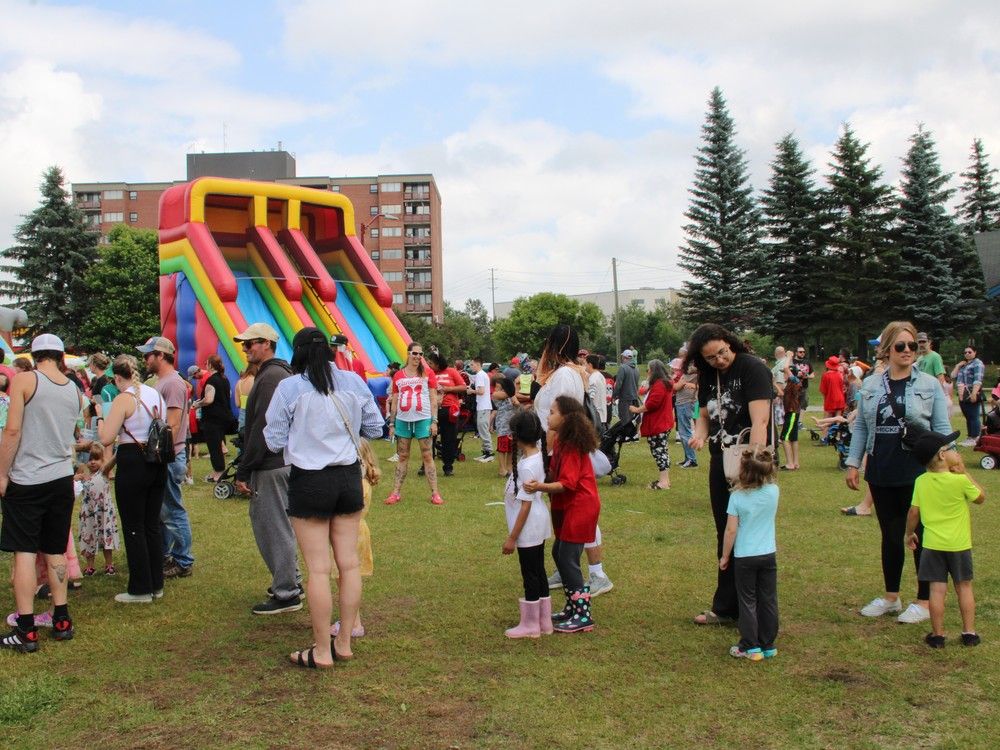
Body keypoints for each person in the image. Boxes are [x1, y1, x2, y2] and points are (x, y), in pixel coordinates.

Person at [263, 326, 383, 668]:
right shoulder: (354, 382)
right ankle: (343, 642)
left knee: (317, 570)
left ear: (298, 353)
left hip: (310, 480)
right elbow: (375, 429)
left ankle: (320, 649)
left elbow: (273, 439)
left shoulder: (290, 388)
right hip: (347, 478)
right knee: (348, 564)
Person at [845, 321, 951, 625]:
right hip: (881, 467)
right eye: (901, 346)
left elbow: (942, 430)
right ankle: (891, 597)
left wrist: (948, 466)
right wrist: (853, 463)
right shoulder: (871, 385)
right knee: (890, 535)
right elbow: (863, 426)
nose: (908, 352)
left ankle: (923, 601)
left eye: (912, 346)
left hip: (918, 471)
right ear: (887, 350)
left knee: (919, 534)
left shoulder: (929, 384)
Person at [0, 334, 86, 652]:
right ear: (61, 355)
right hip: (61, 478)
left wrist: (1, 473)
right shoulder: (73, 389)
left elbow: (12, 430)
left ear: (34, 355)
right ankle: (61, 619)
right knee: (55, 550)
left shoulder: (25, 380)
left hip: (27, 478)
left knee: (23, 551)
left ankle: (26, 629)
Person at [685, 324, 773, 626]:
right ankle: (726, 607)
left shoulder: (752, 369)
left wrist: (753, 468)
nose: (719, 360)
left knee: (750, 536)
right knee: (725, 531)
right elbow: (705, 415)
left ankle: (753, 607)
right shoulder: (709, 376)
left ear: (730, 343)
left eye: (722, 352)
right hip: (721, 462)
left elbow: (760, 421)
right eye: (710, 358)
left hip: (749, 463)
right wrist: (698, 435)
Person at [535, 325, 614, 598]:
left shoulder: (566, 374)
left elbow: (564, 416)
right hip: (554, 451)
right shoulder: (561, 374)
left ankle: (597, 574)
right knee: (566, 512)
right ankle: (567, 567)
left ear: (555, 345)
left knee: (580, 513)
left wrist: (550, 455)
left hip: (560, 452)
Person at [232, 324, 301, 615]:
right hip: (279, 461)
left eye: (250, 344)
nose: (245, 349)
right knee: (279, 526)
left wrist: (244, 468)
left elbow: (263, 428)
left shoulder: (272, 376)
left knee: (273, 527)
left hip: (271, 464)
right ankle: (290, 583)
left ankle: (287, 592)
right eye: (244, 345)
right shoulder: (276, 374)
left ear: (267, 344)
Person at [95, 355, 169, 604]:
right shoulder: (156, 395)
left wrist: (100, 418)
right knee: (151, 525)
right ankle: (156, 583)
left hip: (133, 462)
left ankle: (140, 589)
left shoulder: (124, 399)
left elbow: (106, 438)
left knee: (134, 526)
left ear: (117, 377)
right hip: (157, 461)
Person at [902, 424, 985, 648]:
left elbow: (914, 512)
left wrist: (909, 534)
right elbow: (980, 498)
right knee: (964, 587)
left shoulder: (921, 481)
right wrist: (965, 471)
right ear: (941, 455)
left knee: (936, 590)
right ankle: (969, 633)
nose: (957, 452)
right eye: (952, 448)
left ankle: (937, 635)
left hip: (932, 545)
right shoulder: (959, 480)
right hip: (959, 545)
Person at [523, 396, 600, 634]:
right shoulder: (562, 441)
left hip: (580, 506)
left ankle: (582, 614)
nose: (548, 416)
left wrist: (538, 487)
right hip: (567, 506)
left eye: (553, 412)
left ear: (566, 417)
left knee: (567, 558)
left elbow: (567, 483)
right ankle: (573, 607)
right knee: (560, 553)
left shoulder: (572, 445)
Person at [137, 336, 194, 579]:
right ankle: (166, 555)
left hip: (171, 456)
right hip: (166, 457)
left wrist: (145, 440)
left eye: (148, 355)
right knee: (163, 511)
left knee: (172, 510)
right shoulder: (164, 382)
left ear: (161, 355)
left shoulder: (172, 384)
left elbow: (171, 424)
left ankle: (183, 560)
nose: (144, 359)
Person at [720, 446, 780, 661]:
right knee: (768, 599)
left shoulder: (736, 497)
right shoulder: (774, 491)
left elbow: (731, 530)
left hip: (745, 556)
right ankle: (768, 643)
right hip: (768, 554)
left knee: (747, 600)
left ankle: (750, 645)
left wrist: (725, 556)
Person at [501, 410, 553, 639]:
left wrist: (512, 538)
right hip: (538, 523)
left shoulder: (526, 466)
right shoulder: (537, 456)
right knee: (538, 571)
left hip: (528, 527)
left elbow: (525, 506)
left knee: (530, 574)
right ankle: (544, 621)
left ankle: (531, 625)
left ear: (517, 436)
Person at [332, 438, 380, 639]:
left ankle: (353, 623)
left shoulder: (356, 484)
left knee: (345, 579)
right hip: (358, 531)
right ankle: (350, 621)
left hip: (350, 533)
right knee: (347, 578)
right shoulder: (365, 481)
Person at [385, 341, 442, 506]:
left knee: (427, 455)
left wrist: (434, 421)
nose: (418, 357)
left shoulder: (428, 373)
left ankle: (435, 493)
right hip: (403, 420)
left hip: (423, 419)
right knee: (402, 456)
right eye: (415, 353)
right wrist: (392, 423)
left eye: (420, 354)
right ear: (408, 354)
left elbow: (433, 399)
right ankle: (395, 493)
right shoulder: (398, 375)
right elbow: (395, 401)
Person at [629, 359, 675, 490]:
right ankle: (665, 480)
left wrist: (636, 409)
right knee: (662, 451)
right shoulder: (664, 383)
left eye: (649, 369)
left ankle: (664, 482)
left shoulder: (660, 384)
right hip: (663, 422)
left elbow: (652, 404)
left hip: (658, 424)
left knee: (659, 451)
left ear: (654, 371)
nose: (647, 371)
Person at [78, 444, 118, 576]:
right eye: (90, 459)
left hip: (103, 513)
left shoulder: (104, 473)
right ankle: (90, 566)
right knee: (89, 537)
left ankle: (109, 564)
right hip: (89, 514)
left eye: (96, 459)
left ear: (102, 461)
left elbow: (112, 462)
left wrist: (121, 449)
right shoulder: (84, 476)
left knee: (105, 538)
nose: (92, 462)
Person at [192, 354, 232, 483]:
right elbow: (228, 395)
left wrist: (197, 404)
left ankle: (218, 472)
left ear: (210, 365)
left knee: (214, 447)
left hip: (212, 419)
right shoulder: (224, 379)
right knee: (218, 446)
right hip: (224, 417)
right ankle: (217, 470)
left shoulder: (211, 380)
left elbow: (209, 399)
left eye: (207, 363)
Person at [426, 351, 465, 477]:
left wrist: (447, 389)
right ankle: (426, 464)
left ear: (438, 364)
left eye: (431, 363)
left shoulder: (452, 372)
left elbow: (463, 387)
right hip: (431, 409)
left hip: (449, 409)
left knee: (448, 438)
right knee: (427, 437)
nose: (429, 365)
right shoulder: (427, 373)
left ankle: (448, 466)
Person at [954, 344, 984, 447]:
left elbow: (978, 379)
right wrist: (958, 366)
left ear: (975, 353)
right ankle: (970, 437)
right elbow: (953, 376)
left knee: (973, 416)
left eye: (969, 352)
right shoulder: (964, 365)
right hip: (962, 394)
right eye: (965, 352)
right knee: (968, 416)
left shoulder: (977, 364)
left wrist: (974, 393)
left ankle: (975, 437)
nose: (967, 354)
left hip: (971, 392)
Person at [468, 357, 494, 462]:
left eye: (472, 365)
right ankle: (485, 453)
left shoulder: (479, 375)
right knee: (482, 428)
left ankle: (489, 453)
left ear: (477, 364)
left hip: (483, 406)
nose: (471, 367)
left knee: (483, 429)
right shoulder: (483, 374)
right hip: (483, 406)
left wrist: (471, 391)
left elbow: (481, 391)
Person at [674, 361, 699, 468]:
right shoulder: (687, 375)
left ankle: (692, 460)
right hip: (682, 404)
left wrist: (681, 383)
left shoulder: (694, 375)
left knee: (685, 433)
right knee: (683, 432)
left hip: (685, 404)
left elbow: (675, 387)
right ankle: (688, 458)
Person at [493, 377, 517, 478]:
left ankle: (509, 468)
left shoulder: (510, 395)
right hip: (502, 425)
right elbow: (510, 395)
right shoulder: (496, 394)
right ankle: (502, 469)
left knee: (511, 448)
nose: (497, 386)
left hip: (511, 425)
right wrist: (513, 390)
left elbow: (517, 404)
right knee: (502, 449)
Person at [779, 376, 801, 471]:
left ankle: (790, 464)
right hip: (794, 413)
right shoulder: (794, 388)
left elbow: (780, 393)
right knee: (793, 438)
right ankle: (795, 463)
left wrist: (774, 383)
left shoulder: (790, 389)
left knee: (785, 438)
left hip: (791, 414)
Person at [612, 349, 639, 424]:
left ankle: (627, 435)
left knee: (625, 421)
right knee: (633, 421)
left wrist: (614, 396)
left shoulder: (623, 367)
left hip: (625, 399)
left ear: (624, 357)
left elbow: (618, 384)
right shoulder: (636, 369)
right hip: (634, 399)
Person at [584, 354, 606, 433]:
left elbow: (590, 399)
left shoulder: (593, 379)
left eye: (585, 363)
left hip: (595, 417)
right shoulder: (601, 376)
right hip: (602, 415)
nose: (584, 366)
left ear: (590, 364)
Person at [234, 362, 257, 432]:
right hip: (255, 413)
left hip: (243, 415)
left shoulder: (239, 383)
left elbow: (237, 404)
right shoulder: (257, 380)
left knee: (243, 439)